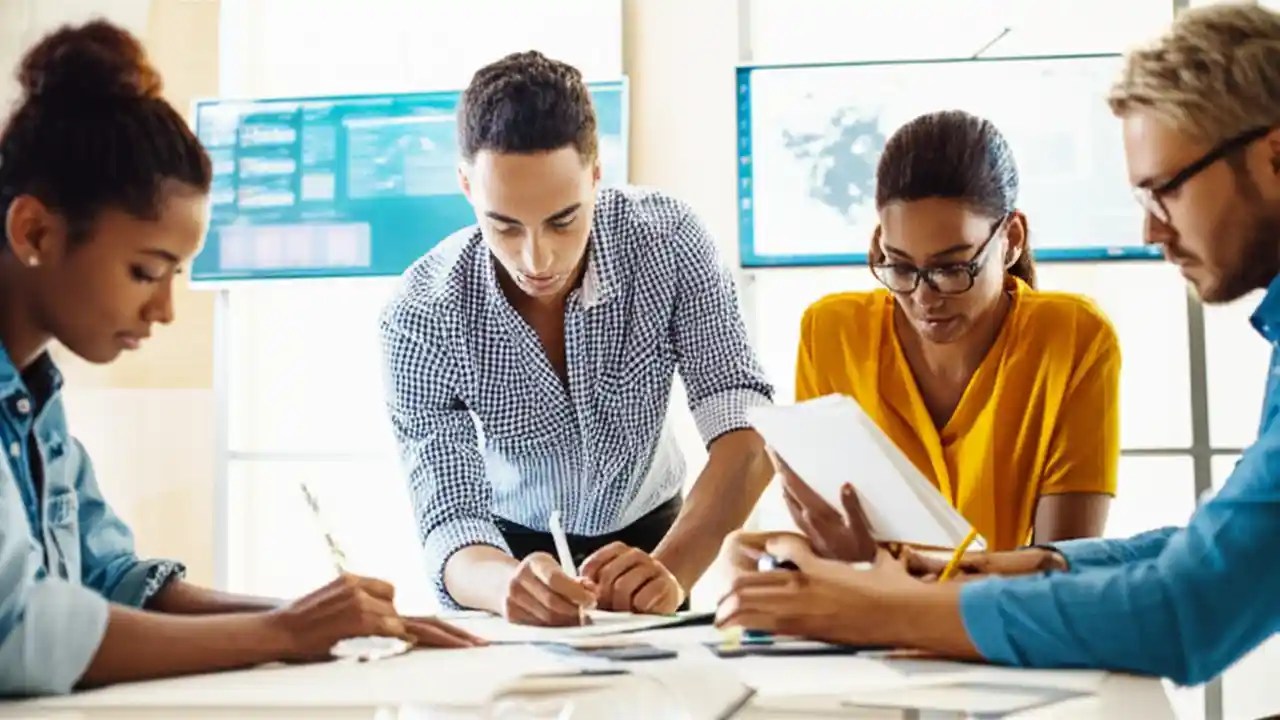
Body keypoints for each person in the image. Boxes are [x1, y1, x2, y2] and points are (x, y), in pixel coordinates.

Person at [716, 3, 1280, 686]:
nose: (1151, 234)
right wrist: (1000, 566)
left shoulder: (1070, 336)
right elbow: (1221, 551)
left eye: (1164, 193)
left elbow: (1187, 610)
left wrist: (887, 610)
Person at [0, 21, 480, 697]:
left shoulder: (34, 401)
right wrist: (282, 635)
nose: (165, 310)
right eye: (145, 271)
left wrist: (332, 619)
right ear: (35, 232)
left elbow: (114, 581)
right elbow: (18, 631)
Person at [380, 51, 773, 625]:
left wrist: (673, 569)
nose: (535, 258)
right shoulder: (421, 314)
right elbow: (450, 521)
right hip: (506, 556)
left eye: (563, 220)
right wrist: (501, 585)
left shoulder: (669, 240)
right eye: (504, 225)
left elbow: (747, 433)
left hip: (658, 536)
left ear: (595, 174)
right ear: (467, 186)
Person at [780, 110, 1117, 563]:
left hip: (1005, 628)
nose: (924, 297)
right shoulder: (830, 333)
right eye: (899, 266)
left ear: (1011, 239)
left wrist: (889, 571)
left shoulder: (1072, 338)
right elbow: (829, 552)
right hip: (864, 625)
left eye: (952, 268)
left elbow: (1060, 569)